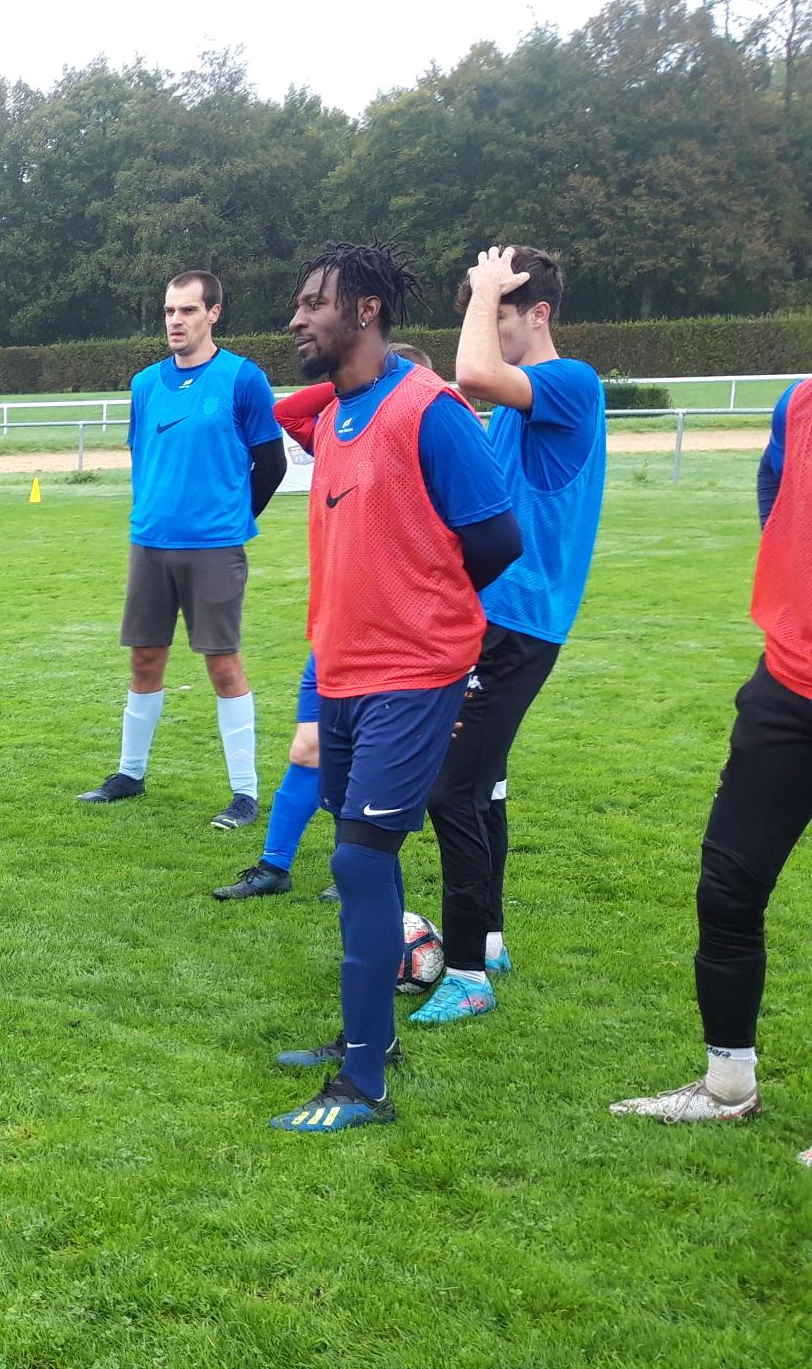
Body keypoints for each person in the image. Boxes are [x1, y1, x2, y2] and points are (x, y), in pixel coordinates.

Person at [268, 243, 520, 1133]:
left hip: (411, 676)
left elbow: (497, 540)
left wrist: (426, 615)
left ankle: (364, 1083)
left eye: (314, 302)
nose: (297, 318)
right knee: (361, 854)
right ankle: (367, 1035)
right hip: (341, 672)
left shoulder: (431, 410)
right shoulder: (342, 410)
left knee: (357, 862)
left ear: (366, 310)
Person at [611, 372, 812, 1163]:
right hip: (788, 685)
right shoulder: (798, 402)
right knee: (728, 887)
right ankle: (728, 1087)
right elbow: (775, 485)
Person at [409, 246, 606, 1027]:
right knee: (484, 783)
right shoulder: (521, 413)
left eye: (497, 315)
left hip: (518, 625)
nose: (485, 329)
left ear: (539, 314)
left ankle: (465, 975)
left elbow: (472, 375)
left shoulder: (572, 381)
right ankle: (486, 941)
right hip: (489, 619)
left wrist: (488, 286)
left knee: (449, 789)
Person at [215, 342, 440, 905]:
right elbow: (288, 412)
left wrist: (404, 383)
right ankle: (275, 867)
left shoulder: (428, 444)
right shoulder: (344, 432)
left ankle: (357, 867)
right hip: (334, 634)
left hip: (394, 639)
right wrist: (355, 378)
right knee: (308, 749)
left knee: (368, 763)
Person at [79, 272, 286, 828]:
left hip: (215, 548)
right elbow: (145, 458)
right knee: (144, 659)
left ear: (213, 313)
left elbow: (271, 464)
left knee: (222, 664)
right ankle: (130, 774)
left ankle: (244, 793)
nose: (176, 320)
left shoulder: (243, 378)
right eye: (170, 310)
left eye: (189, 310)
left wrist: (231, 520)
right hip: (149, 544)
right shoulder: (145, 384)